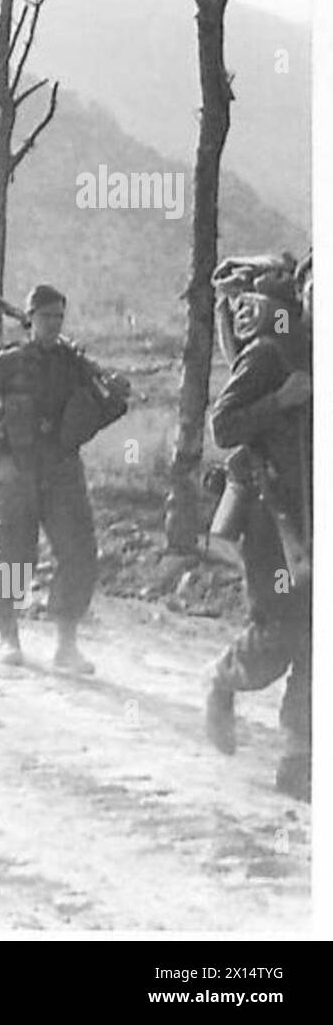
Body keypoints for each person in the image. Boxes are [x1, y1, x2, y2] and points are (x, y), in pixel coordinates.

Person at [0, 283, 128, 671]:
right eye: (45, 316)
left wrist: (117, 398)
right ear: (30, 319)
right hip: (17, 469)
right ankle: (8, 638)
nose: (52, 324)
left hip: (62, 470)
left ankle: (65, 645)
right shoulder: (8, 363)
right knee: (15, 555)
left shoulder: (75, 366)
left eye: (58, 317)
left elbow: (97, 413)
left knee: (78, 552)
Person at [204, 260, 312, 801]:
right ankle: (225, 676)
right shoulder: (273, 352)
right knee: (281, 635)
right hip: (277, 522)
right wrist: (280, 401)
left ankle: (299, 759)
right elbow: (224, 426)